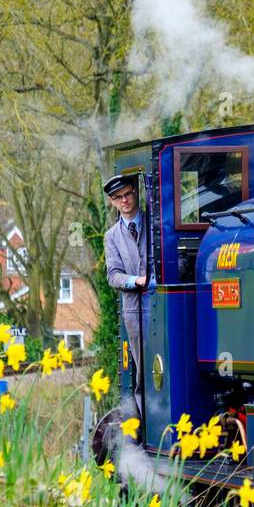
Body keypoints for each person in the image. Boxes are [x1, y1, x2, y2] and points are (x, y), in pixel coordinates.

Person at [103, 175, 147, 413]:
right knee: (142, 371)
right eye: (119, 197)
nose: (125, 200)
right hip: (134, 312)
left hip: (161, 305)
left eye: (128, 194)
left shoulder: (155, 224)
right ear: (112, 202)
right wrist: (136, 281)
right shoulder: (112, 236)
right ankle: (144, 426)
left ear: (135, 192)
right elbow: (113, 276)